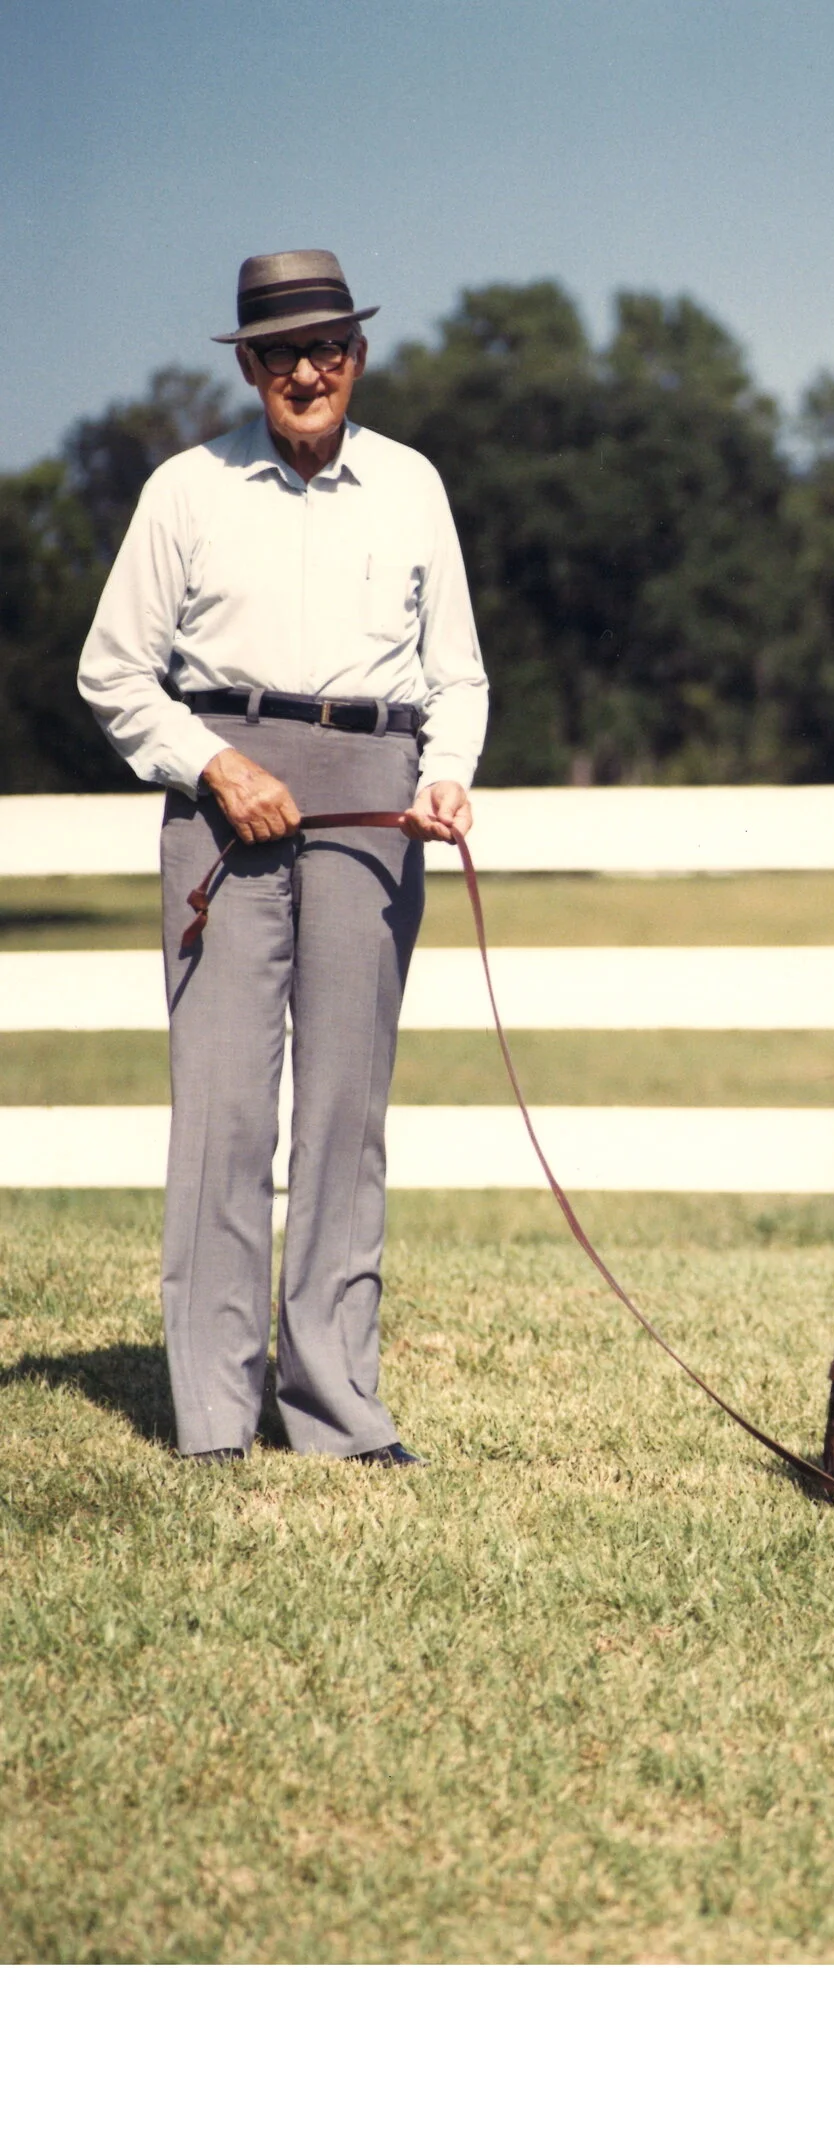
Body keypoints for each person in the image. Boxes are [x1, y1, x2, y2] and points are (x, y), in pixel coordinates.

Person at [78, 250, 488, 1465]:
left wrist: (443, 775)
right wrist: (216, 767)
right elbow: (112, 672)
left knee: (347, 1113)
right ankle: (212, 1411)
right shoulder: (186, 491)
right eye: (279, 354)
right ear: (247, 367)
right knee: (224, 1112)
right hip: (224, 793)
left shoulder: (412, 485)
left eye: (329, 349)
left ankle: (335, 1407)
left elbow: (456, 673)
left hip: (375, 792)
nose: (307, 372)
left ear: (359, 356)